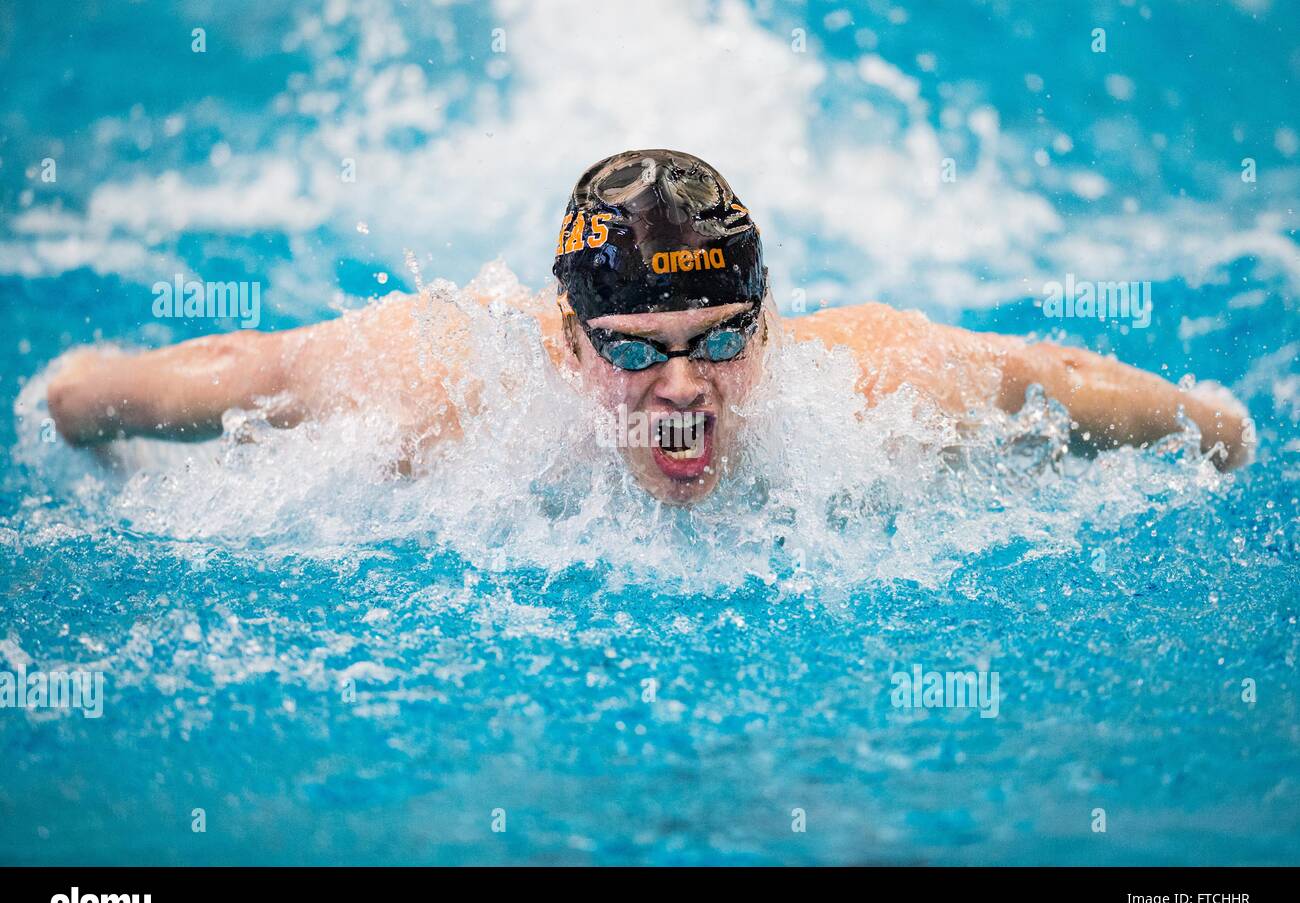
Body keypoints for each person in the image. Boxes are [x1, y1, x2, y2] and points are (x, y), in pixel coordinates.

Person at [45, 148, 1253, 505]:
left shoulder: (878, 389)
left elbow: (1048, 378)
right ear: (566, 342)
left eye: (719, 339)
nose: (682, 389)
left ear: (770, 328)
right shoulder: (435, 392)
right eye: (633, 350)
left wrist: (1211, 425)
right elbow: (206, 375)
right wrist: (78, 401)